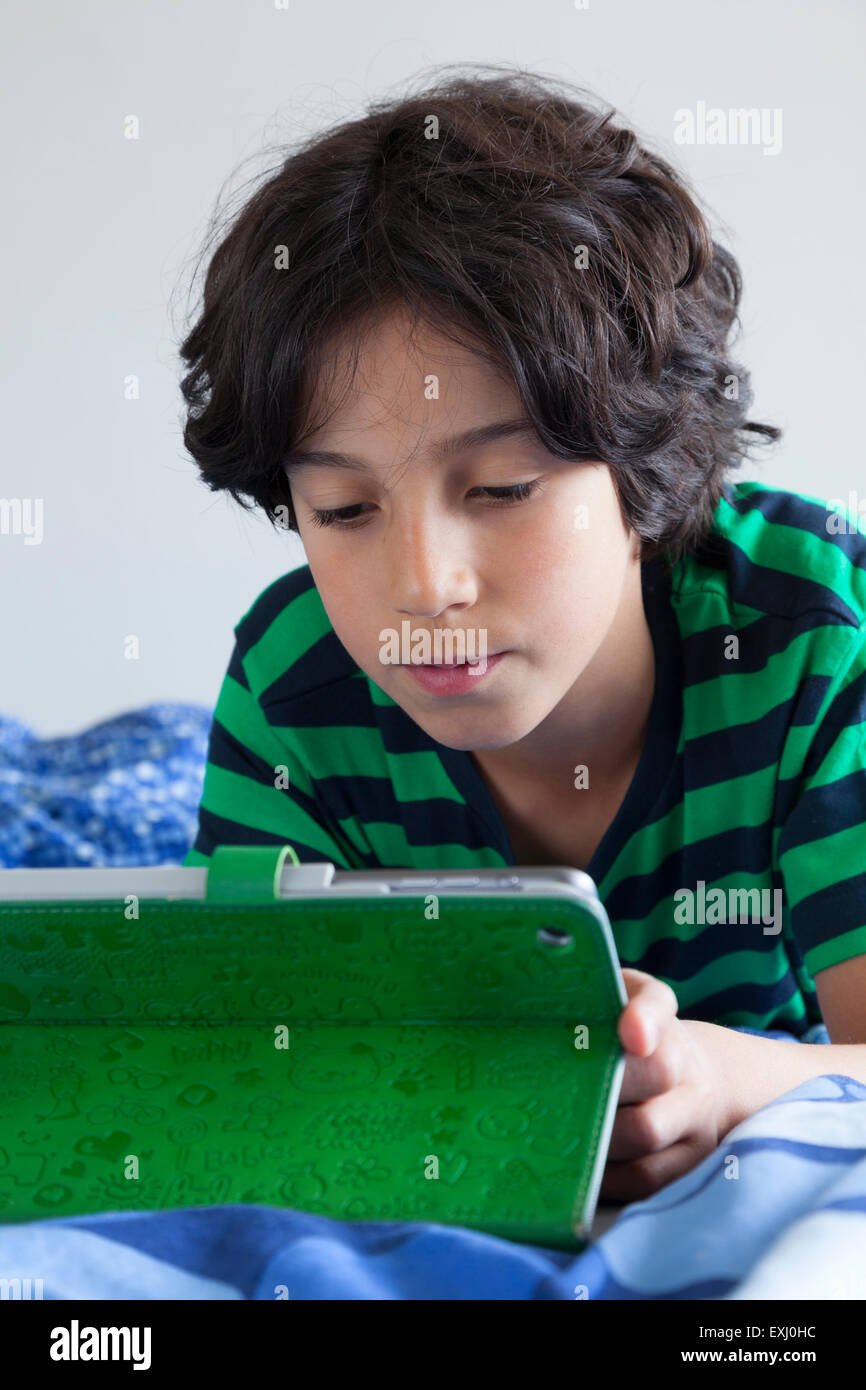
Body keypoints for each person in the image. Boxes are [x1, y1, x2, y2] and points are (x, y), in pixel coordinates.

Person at [178, 64, 866, 1200]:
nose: (424, 587)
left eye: (501, 488)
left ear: (647, 468)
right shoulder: (293, 687)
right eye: (342, 510)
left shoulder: (811, 633)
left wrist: (727, 1083)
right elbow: (252, 1064)